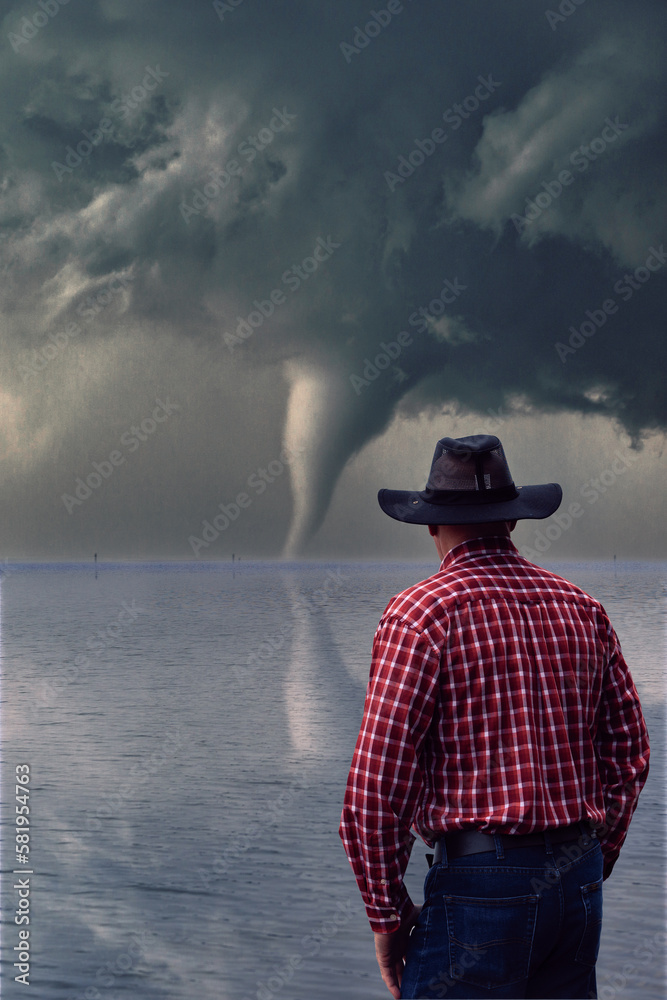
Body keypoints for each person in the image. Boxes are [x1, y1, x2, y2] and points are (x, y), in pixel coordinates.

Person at [339, 434, 649, 999]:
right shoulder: (582, 610)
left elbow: (376, 787)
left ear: (430, 524)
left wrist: (386, 914)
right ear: (512, 519)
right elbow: (629, 751)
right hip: (576, 882)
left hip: (479, 886)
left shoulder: (421, 617)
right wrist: (593, 856)